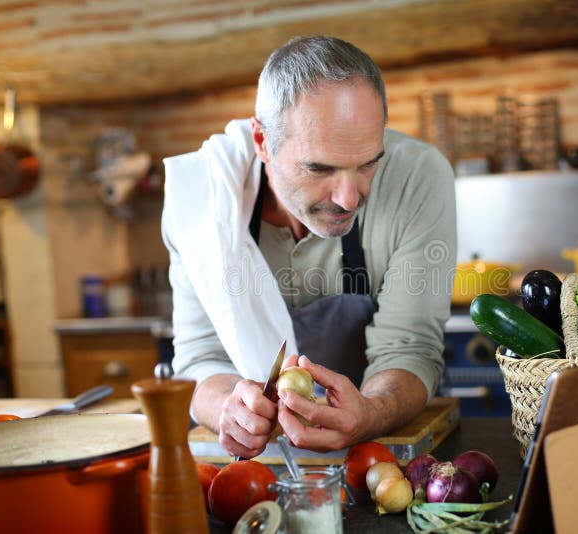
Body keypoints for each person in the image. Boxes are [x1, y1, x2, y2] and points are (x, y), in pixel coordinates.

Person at [162, 35, 456, 458]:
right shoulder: (200, 199)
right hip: (258, 465)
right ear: (263, 143)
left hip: (378, 454)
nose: (348, 198)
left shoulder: (419, 177)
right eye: (320, 168)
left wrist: (371, 412)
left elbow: (411, 347)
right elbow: (198, 357)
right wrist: (228, 407)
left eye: (368, 163)